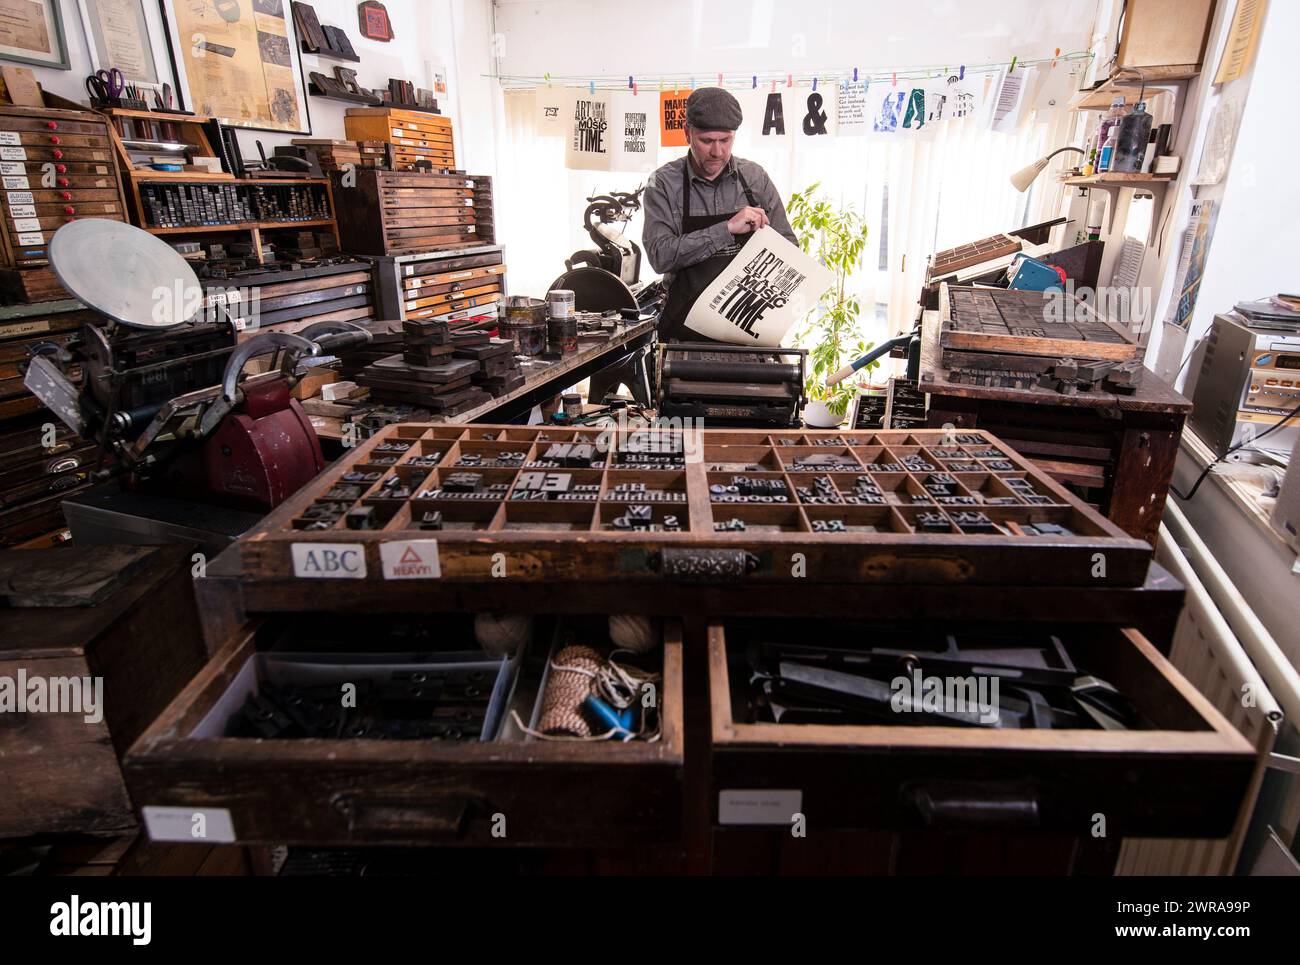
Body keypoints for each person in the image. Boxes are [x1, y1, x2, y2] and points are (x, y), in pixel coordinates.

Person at [642, 87, 797, 342]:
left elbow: (789, 248)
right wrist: (726, 229)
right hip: (685, 333)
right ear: (686, 132)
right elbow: (660, 256)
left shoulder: (755, 178)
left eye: (725, 140)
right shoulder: (663, 183)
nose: (717, 152)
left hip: (748, 326)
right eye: (707, 141)